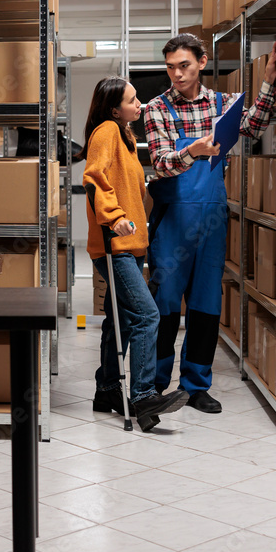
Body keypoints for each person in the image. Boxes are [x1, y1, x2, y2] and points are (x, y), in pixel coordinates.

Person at [143, 33, 276, 413]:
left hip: (212, 219)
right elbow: (161, 161)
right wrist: (193, 151)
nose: (177, 75)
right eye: (170, 67)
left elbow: (253, 126)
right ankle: (152, 384)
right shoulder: (156, 109)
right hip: (173, 220)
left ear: (202, 62)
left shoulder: (224, 105)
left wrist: (268, 81)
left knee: (205, 302)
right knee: (166, 302)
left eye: (184, 66)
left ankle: (196, 384)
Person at [82, 77, 189, 430]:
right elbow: (94, 179)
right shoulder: (107, 131)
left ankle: (108, 389)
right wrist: (115, 219)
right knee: (147, 316)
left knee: (121, 320)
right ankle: (142, 396)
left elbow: (126, 185)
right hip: (115, 246)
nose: (139, 103)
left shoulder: (126, 136)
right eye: (132, 99)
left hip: (131, 246)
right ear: (115, 108)